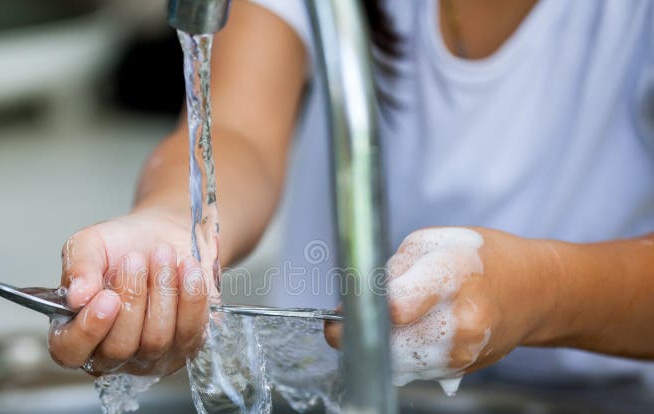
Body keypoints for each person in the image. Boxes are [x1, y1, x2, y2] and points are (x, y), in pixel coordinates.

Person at [48, 0, 654, 385]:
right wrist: (169, 226)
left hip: (601, 409)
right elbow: (233, 130)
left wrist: (542, 291)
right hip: (317, 390)